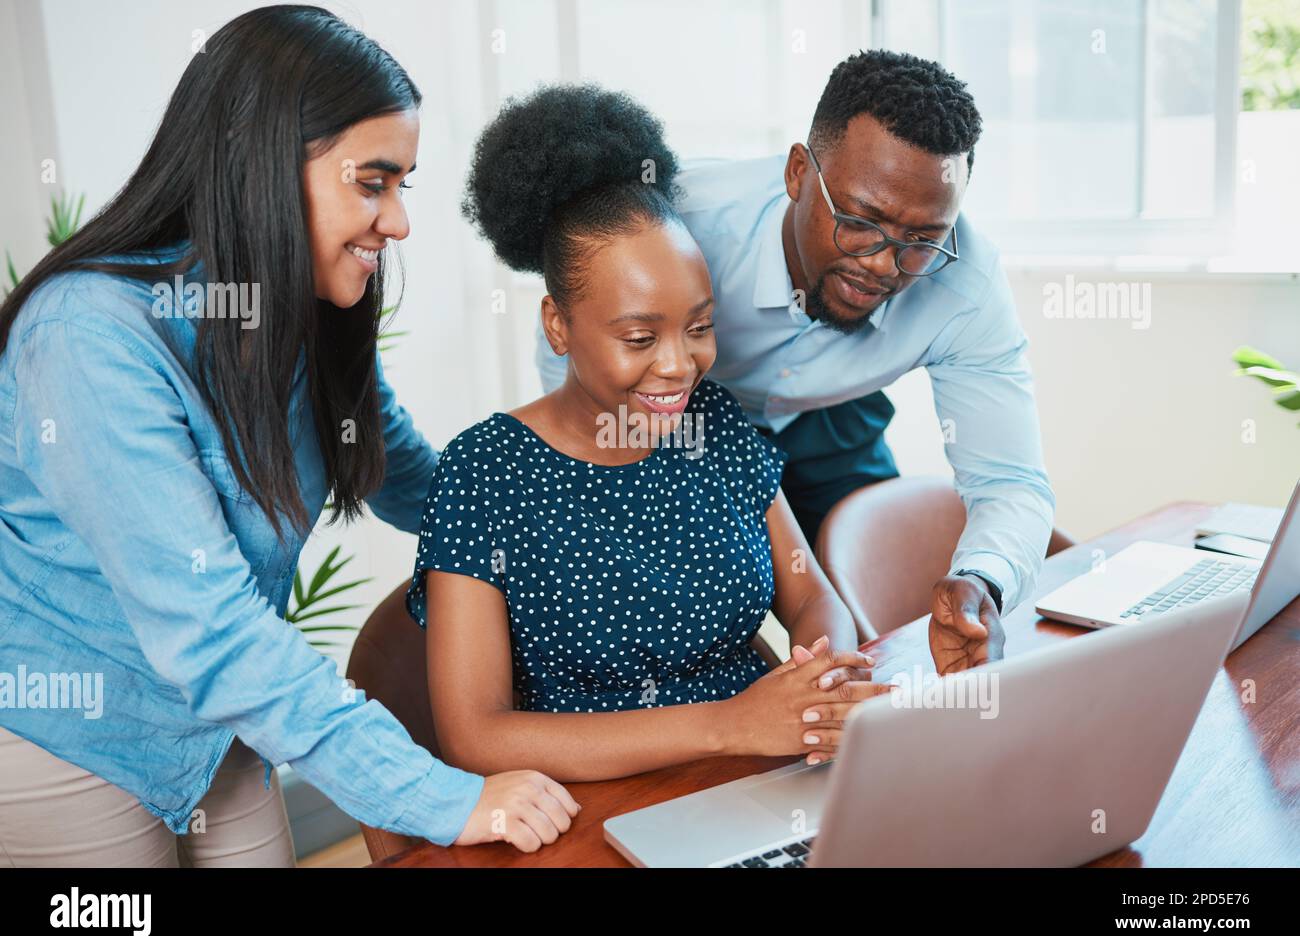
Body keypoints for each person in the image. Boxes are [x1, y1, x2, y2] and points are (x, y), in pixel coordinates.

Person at [0, 4, 575, 867]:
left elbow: (405, 472)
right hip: (69, 738)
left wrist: (568, 514)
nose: (400, 221)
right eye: (371, 182)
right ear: (259, 163)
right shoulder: (88, 335)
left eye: (402, 185)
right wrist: (441, 798)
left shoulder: (299, 312)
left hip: (218, 720)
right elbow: (212, 628)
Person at [406, 83, 887, 783]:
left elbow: (810, 593)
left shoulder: (714, 424)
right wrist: (730, 724)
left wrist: (824, 675)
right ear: (557, 325)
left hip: (760, 780)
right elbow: (476, 733)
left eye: (699, 327)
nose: (677, 366)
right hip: (594, 810)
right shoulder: (486, 471)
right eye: (638, 337)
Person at [537, 50, 1057, 674]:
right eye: (860, 222)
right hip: (679, 421)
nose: (883, 265)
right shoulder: (679, 221)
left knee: (882, 646)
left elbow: (1010, 483)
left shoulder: (965, 282)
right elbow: (584, 345)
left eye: (920, 241)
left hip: (831, 416)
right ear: (797, 173)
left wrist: (984, 582)